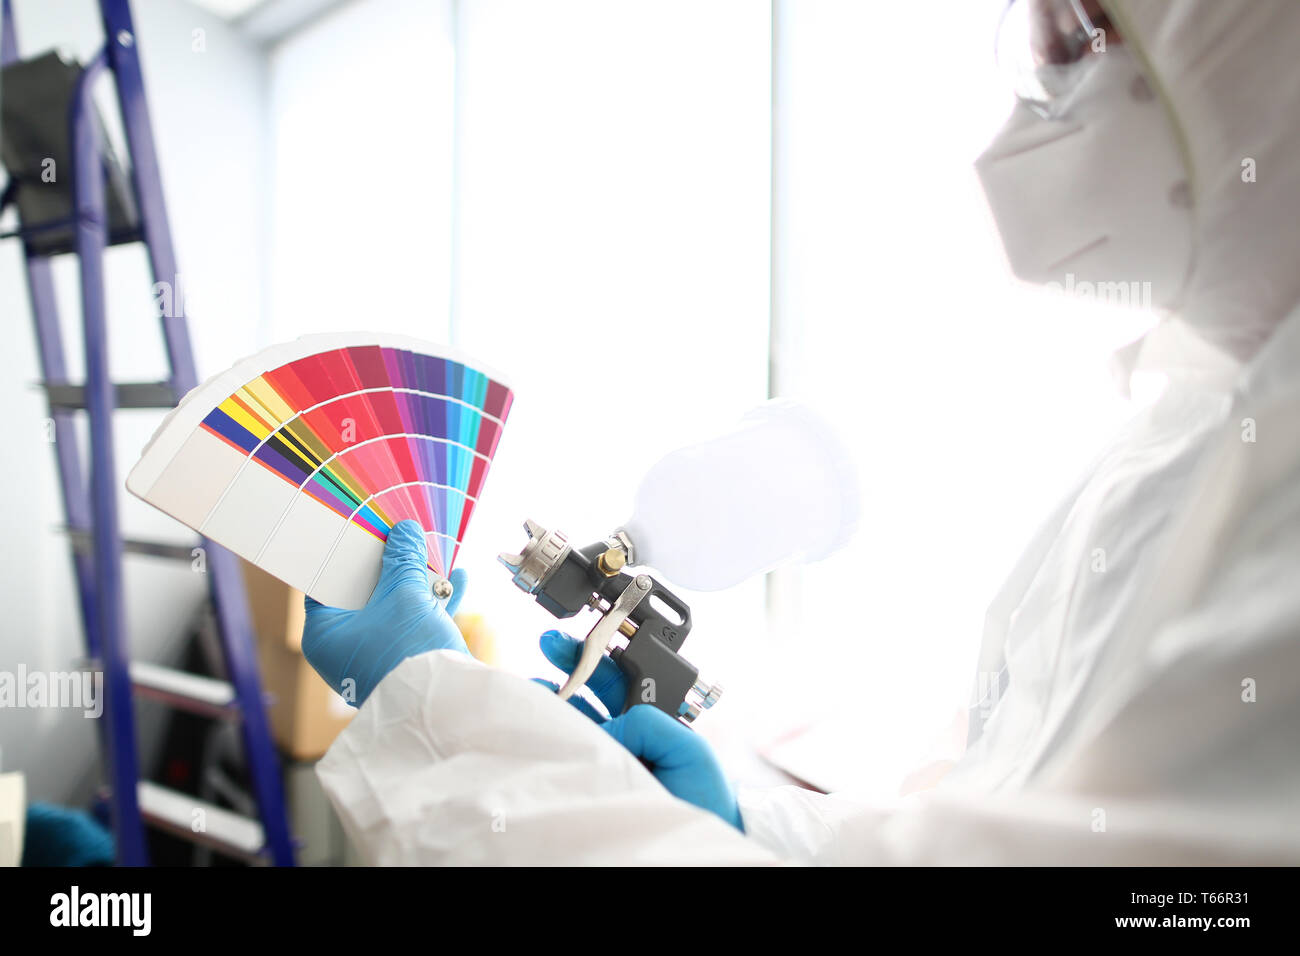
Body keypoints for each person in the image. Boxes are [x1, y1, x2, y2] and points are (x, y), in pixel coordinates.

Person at [305, 0, 1300, 865]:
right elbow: (993, 831)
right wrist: (742, 821)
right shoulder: (1176, 442)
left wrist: (429, 709)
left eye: (1078, 44)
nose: (1021, 126)